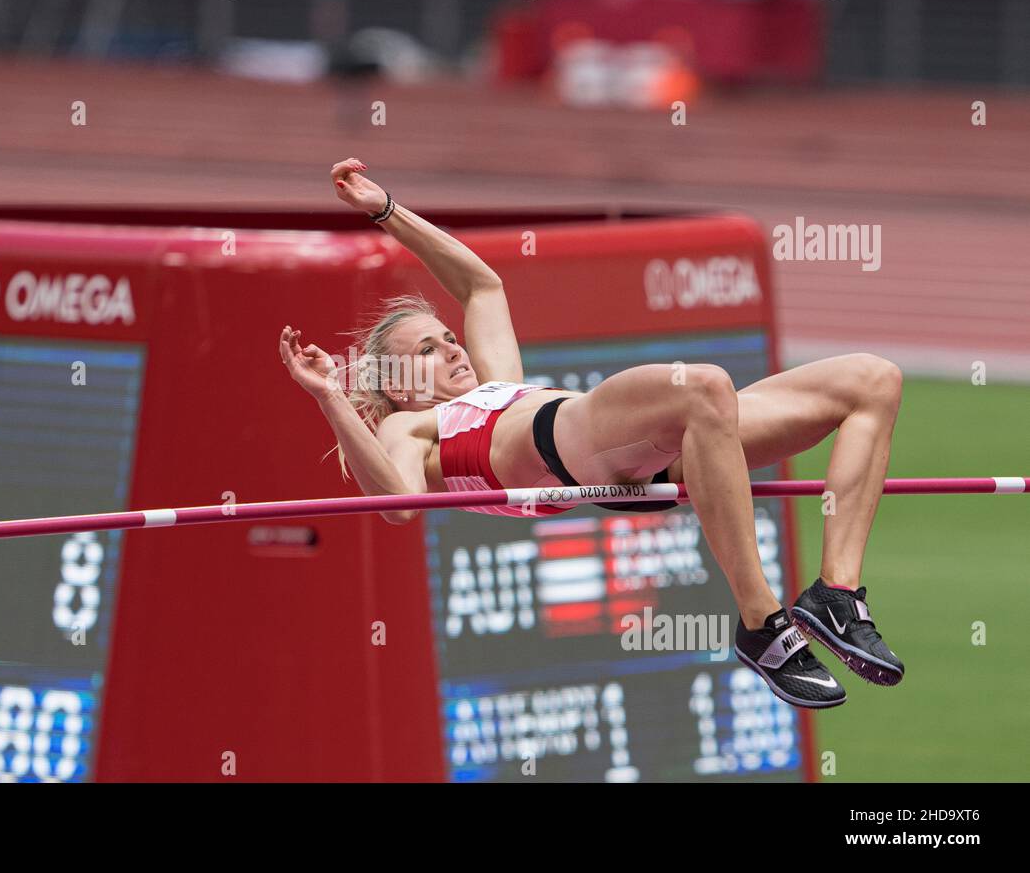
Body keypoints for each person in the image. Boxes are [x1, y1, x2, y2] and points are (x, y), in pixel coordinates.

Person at [278, 158, 905, 709]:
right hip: (572, 444)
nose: (450, 349)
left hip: (651, 448)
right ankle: (761, 622)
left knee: (871, 380)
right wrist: (331, 397)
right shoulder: (412, 426)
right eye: (426, 350)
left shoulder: (499, 383)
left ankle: (836, 594)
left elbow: (480, 285)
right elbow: (394, 505)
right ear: (396, 384)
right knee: (704, 385)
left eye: (447, 338)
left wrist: (385, 210)